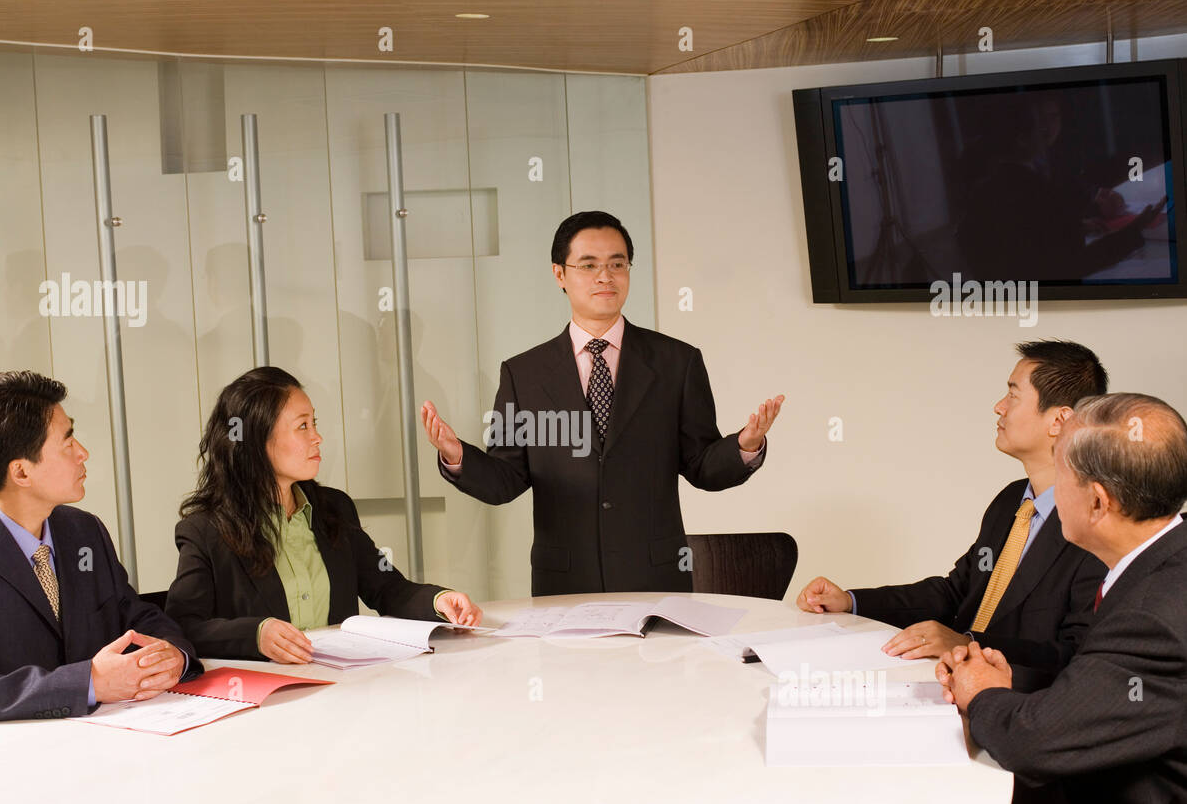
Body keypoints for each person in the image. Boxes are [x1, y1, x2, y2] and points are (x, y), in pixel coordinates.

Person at [420, 210, 784, 596]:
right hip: (563, 583)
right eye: (589, 264)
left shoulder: (677, 362)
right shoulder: (523, 373)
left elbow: (701, 466)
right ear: (559, 274)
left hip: (655, 579)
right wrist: (458, 456)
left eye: (617, 264)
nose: (605, 276)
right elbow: (506, 479)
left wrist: (744, 446)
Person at [938, 393, 1187, 804]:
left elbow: (1032, 743)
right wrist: (1010, 678)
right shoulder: (1165, 560)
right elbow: (1107, 687)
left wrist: (980, 692)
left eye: (1060, 473)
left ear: (1096, 502)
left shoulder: (1152, 617)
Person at [0, 371, 202, 740]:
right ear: (21, 471)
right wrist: (88, 682)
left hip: (107, 743)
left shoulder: (84, 531)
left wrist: (172, 655)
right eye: (67, 441)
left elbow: (136, 615)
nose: (83, 452)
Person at [796, 340, 1107, 691]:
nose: (998, 407)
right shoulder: (1010, 501)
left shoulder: (1098, 524)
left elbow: (1074, 656)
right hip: (947, 683)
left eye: (1013, 396)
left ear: (1059, 420)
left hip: (1013, 705)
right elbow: (954, 594)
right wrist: (852, 601)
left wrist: (966, 644)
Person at [166, 366, 481, 664]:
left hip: (342, 691)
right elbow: (183, 626)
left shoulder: (334, 509)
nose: (317, 437)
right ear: (256, 441)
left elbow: (387, 588)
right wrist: (256, 635)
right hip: (268, 704)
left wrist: (438, 601)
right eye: (303, 426)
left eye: (314, 423)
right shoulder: (206, 530)